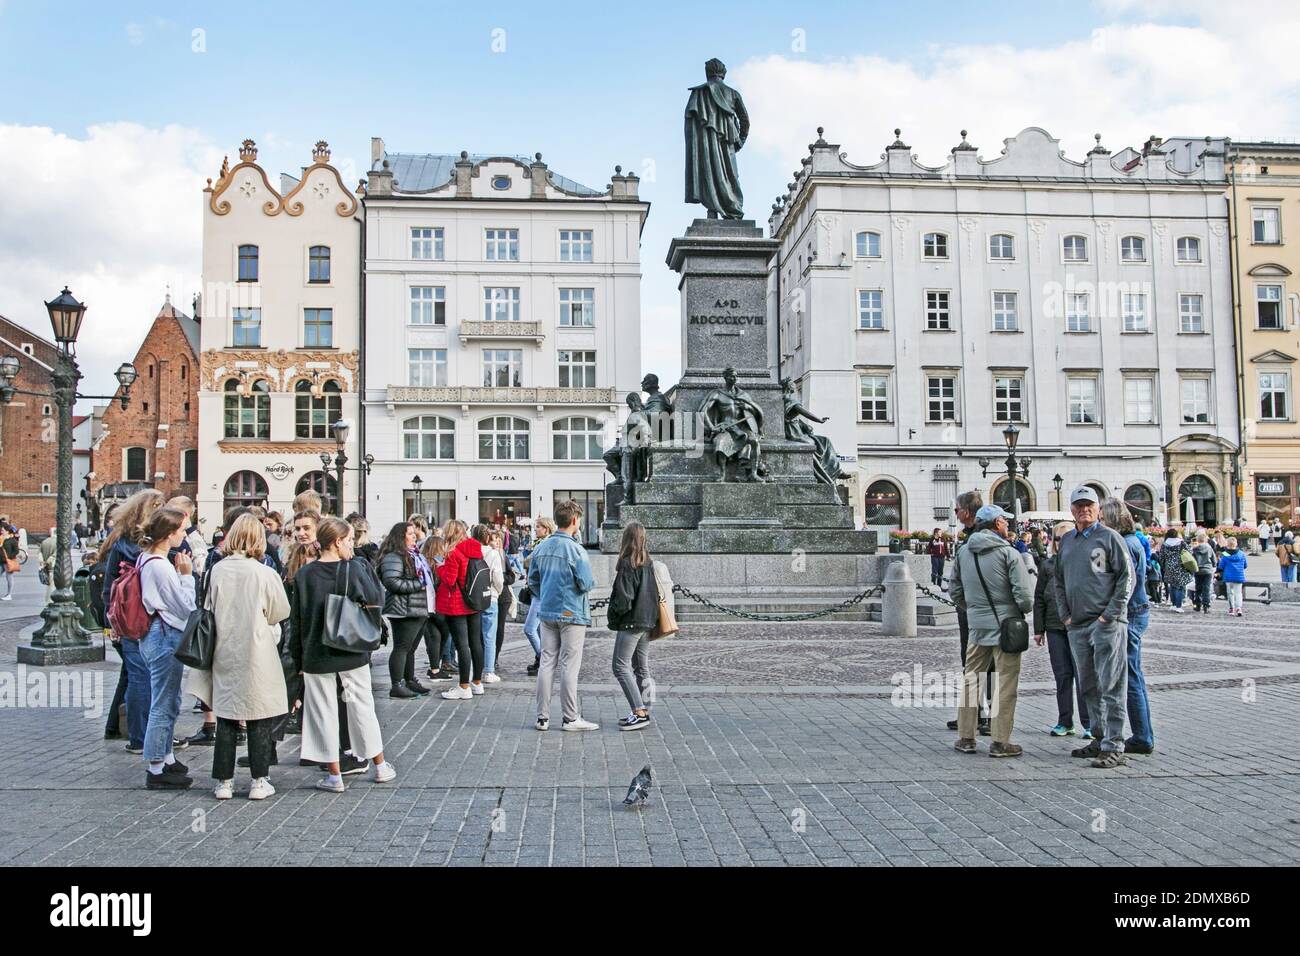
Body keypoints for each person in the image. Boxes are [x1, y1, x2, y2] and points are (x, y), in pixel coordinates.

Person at [290, 516, 395, 792]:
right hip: (351, 646)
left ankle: (335, 775)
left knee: (322, 711)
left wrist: (298, 659)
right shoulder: (355, 569)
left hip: (316, 651)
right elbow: (377, 601)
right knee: (363, 706)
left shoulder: (304, 575)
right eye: (348, 540)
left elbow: (297, 622)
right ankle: (380, 765)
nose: (352, 545)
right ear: (336, 542)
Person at [192, 514, 290, 800]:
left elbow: (207, 608)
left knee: (226, 716)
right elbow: (279, 612)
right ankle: (259, 780)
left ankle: (224, 781)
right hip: (256, 649)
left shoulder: (216, 571)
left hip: (223, 648)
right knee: (258, 714)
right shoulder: (264, 573)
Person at [1053, 487, 1132, 769]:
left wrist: (1109, 615)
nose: (1084, 510)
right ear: (1071, 510)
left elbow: (1126, 579)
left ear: (1098, 510)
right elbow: (1058, 582)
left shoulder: (1110, 538)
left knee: (1110, 684)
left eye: (1089, 505)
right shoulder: (1068, 541)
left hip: (1106, 625)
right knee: (1088, 685)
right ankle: (1098, 737)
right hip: (1077, 625)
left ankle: (1114, 744)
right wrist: (1065, 617)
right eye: (1079, 506)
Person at [949, 504, 1033, 757]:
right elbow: (1025, 595)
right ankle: (1000, 741)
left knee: (971, 679)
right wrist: (1019, 611)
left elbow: (955, 590)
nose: (1007, 525)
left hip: (976, 626)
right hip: (1006, 626)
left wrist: (973, 609)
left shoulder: (963, 552)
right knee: (1005, 683)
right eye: (1005, 522)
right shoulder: (1008, 553)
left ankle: (966, 737)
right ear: (996, 523)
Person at [100, 489, 166, 754]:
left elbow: (109, 588)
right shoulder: (158, 547)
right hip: (156, 617)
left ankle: (137, 737)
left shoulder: (120, 543)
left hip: (128, 618)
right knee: (154, 678)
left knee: (137, 676)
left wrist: (112, 621)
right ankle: (151, 733)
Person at [136, 507, 197, 789]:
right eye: (182, 530)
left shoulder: (147, 558)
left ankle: (166, 757)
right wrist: (186, 575)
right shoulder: (160, 566)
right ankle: (156, 768)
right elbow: (185, 606)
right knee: (164, 701)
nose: (184, 535)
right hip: (164, 634)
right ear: (169, 534)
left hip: (155, 633)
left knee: (169, 699)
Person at [529, 498, 598, 731]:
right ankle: (570, 717)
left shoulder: (541, 547)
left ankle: (542, 717)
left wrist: (546, 595)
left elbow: (532, 582)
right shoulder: (576, 550)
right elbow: (586, 583)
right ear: (575, 521)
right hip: (572, 612)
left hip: (547, 611)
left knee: (547, 662)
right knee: (569, 664)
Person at [1101, 497, 1154, 756]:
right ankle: (1142, 733)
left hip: (1131, 612)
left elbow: (1126, 584)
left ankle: (1142, 736)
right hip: (1137, 609)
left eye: (1102, 519)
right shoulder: (1133, 541)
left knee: (1131, 674)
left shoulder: (1125, 544)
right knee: (1133, 674)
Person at [1033, 522, 1090, 738]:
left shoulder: (1083, 561)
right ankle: (1065, 720)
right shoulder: (1048, 565)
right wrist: (1039, 629)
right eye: (1058, 538)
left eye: (1066, 537)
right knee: (1063, 675)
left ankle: (1090, 723)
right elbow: (1039, 598)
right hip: (1054, 626)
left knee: (1084, 676)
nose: (1062, 542)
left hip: (1078, 626)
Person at [946, 490, 992, 737]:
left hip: (982, 609)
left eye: (956, 510)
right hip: (969, 609)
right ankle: (971, 713)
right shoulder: (970, 536)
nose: (955, 514)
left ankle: (990, 715)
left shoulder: (983, 537)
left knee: (990, 662)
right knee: (970, 661)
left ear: (966, 512)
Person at [607, 521, 660, 731]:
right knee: (641, 667)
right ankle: (646, 708)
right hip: (647, 620)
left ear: (626, 539)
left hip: (631, 622)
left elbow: (623, 599)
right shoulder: (648, 562)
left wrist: (616, 612)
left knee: (619, 666)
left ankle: (638, 710)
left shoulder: (628, 563)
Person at [378, 521, 431, 699]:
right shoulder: (394, 556)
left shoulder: (413, 555)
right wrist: (419, 584)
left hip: (417, 607)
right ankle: (397, 684)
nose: (414, 536)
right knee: (402, 647)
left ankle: (409, 680)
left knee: (410, 648)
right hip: (404, 609)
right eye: (410, 533)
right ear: (401, 537)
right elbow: (392, 582)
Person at [436, 519, 486, 700]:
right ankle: (477, 682)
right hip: (474, 601)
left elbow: (449, 581)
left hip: (457, 603)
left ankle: (464, 686)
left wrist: (440, 567)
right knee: (476, 643)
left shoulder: (453, 553)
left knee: (462, 645)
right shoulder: (475, 549)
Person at [521, 516, 555, 676]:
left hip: (540, 592)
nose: (535, 530)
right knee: (541, 629)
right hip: (541, 591)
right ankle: (540, 658)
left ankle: (544, 659)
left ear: (546, 529)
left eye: (538, 527)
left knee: (529, 628)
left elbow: (528, 562)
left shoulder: (544, 545)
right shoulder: (541, 543)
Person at [420, 533, 455, 681]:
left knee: (434, 637)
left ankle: (435, 668)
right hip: (441, 607)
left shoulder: (421, 563)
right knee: (442, 636)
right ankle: (436, 667)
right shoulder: (441, 564)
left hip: (426, 606)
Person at [476, 524, 506, 683]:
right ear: (487, 538)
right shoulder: (493, 553)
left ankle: (475, 669)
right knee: (489, 636)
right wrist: (498, 591)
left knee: (475, 635)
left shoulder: (471, 552)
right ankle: (488, 671)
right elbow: (498, 578)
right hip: (490, 596)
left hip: (473, 598)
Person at [1159, 528, 1193, 612]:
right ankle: (1178, 606)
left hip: (1169, 566)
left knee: (1172, 585)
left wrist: (1163, 566)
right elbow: (1189, 552)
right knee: (1180, 587)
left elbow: (1161, 556)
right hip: (1180, 566)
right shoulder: (1181, 543)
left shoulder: (1164, 544)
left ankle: (1173, 604)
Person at [1217, 537, 1248, 617]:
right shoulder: (1241, 553)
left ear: (1227, 545)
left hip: (1229, 577)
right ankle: (1239, 608)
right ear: (1236, 544)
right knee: (1238, 593)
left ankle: (1231, 608)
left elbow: (1221, 566)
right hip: (1239, 576)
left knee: (1230, 593)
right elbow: (1245, 565)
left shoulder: (1225, 554)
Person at [1189, 532, 1215, 613]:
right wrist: (1213, 565)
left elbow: (1192, 560)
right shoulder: (1209, 548)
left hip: (1198, 570)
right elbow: (1214, 560)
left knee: (1198, 588)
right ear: (1206, 539)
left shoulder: (1194, 549)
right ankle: (1206, 605)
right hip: (1207, 570)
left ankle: (1197, 605)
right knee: (1206, 588)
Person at [0, 520, 17, 601]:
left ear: (7, 531)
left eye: (2, 530)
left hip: (8, 562)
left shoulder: (12, 540)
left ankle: (9, 594)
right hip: (1, 562)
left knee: (9, 578)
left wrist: (9, 557)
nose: (1, 531)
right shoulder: (1, 538)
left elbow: (16, 551)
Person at [39, 528, 57, 601]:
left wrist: (42, 562)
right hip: (53, 566)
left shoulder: (44, 541)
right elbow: (54, 555)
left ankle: (47, 599)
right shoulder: (58, 542)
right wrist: (47, 561)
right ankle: (50, 600)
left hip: (46, 567)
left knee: (49, 585)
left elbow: (40, 553)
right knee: (53, 585)